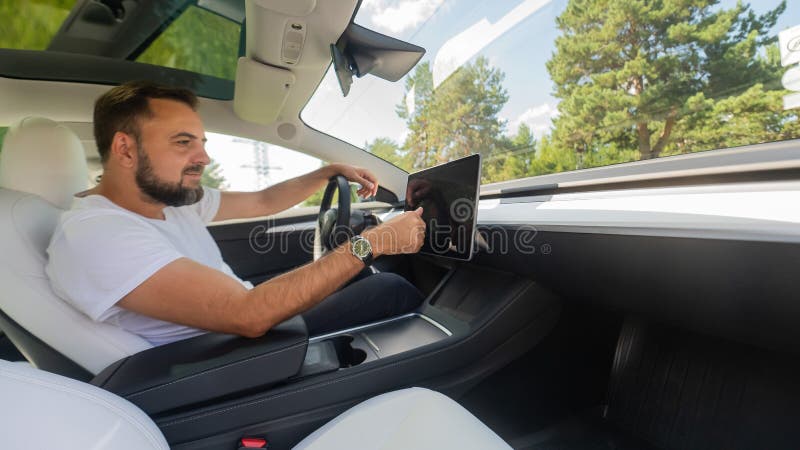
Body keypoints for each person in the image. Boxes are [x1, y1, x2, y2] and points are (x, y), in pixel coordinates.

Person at [45, 81, 427, 346]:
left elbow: (262, 202)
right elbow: (248, 315)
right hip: (238, 353)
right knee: (390, 288)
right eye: (183, 143)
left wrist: (326, 172)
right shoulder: (95, 234)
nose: (204, 157)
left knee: (363, 279)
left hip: (245, 327)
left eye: (201, 143)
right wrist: (373, 242)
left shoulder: (169, 201)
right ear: (126, 150)